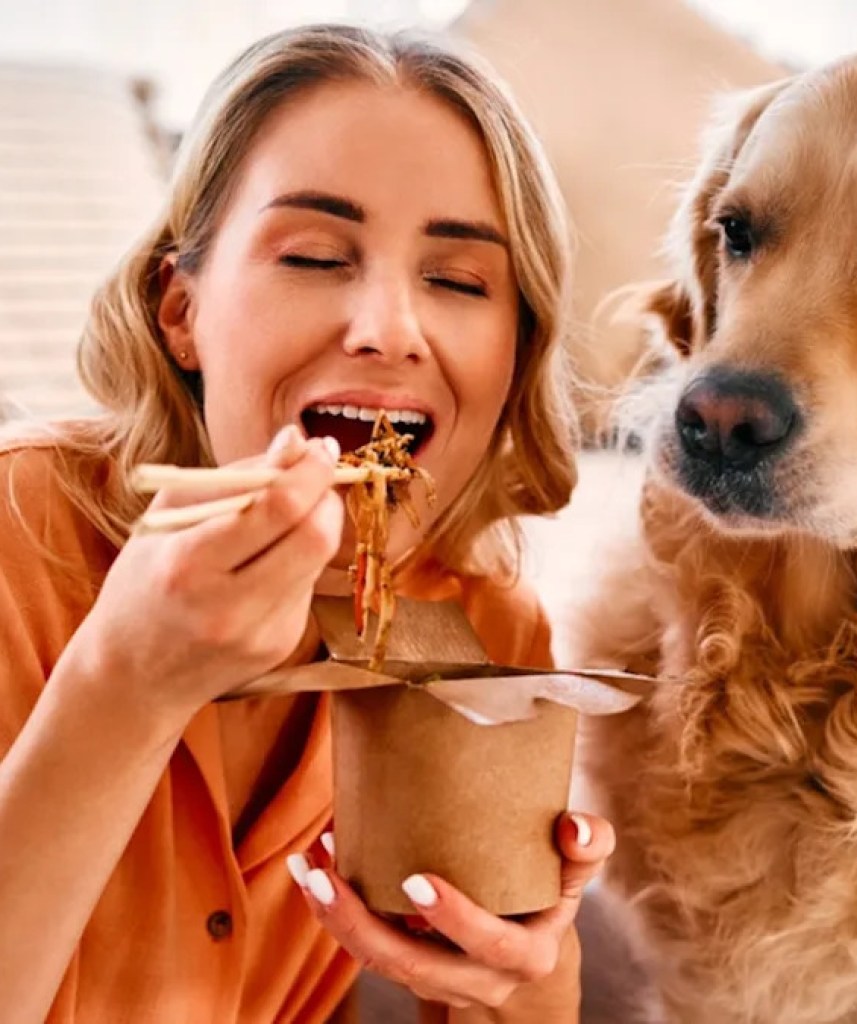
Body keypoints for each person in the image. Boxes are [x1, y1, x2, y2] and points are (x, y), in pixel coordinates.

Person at [0, 23, 616, 1023]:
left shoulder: (483, 637)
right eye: (317, 257)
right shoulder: (15, 542)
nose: (388, 329)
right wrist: (125, 683)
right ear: (180, 309)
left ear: (515, 355)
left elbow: (501, 986)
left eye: (458, 280)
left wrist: (528, 977)